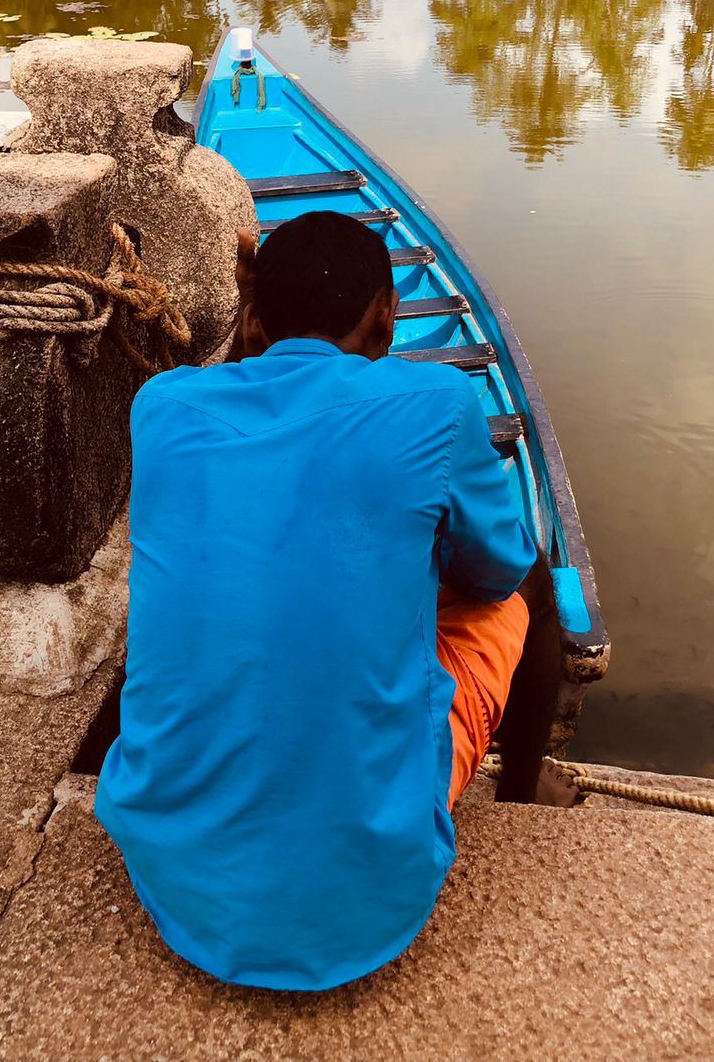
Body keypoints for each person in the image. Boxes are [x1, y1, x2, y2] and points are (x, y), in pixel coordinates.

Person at [96, 209, 563, 992]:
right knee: (529, 586)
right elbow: (492, 575)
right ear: (386, 319)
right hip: (371, 896)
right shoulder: (440, 405)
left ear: (250, 319)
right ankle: (523, 793)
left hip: (177, 878)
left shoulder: (162, 408)